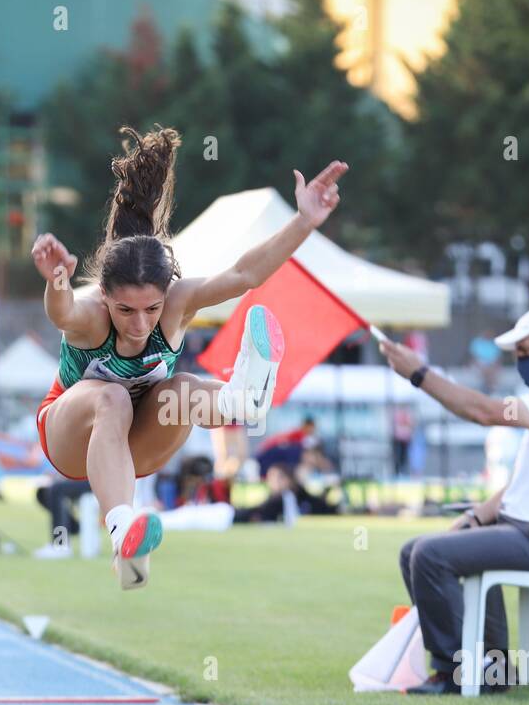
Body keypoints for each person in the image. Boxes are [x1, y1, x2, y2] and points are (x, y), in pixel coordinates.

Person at [31, 124, 347, 590]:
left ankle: (241, 400)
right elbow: (61, 312)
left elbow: (244, 273)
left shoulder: (178, 304)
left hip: (138, 443)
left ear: (166, 296)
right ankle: (122, 527)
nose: (140, 324)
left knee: (179, 388)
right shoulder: (92, 318)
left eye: (151, 309)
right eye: (126, 310)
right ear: (105, 295)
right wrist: (57, 280)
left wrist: (304, 221)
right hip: (69, 439)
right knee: (111, 399)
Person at [377, 304, 529, 695]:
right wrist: (473, 518)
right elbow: (522, 484)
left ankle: (457, 673)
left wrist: (419, 374)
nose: (521, 361)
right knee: (415, 551)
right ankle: (494, 668)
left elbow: (485, 411)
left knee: (430, 555)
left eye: (526, 351)